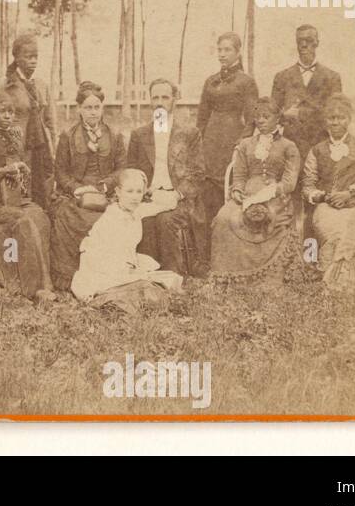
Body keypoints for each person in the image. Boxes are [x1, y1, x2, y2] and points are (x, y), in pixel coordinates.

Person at [208, 97, 306, 286]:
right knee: (223, 217)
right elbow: (239, 176)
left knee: (268, 219)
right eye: (257, 117)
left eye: (266, 116)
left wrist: (269, 193)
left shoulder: (289, 146)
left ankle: (266, 277)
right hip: (246, 195)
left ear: (277, 118)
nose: (260, 121)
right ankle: (226, 274)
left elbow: (289, 182)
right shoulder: (245, 144)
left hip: (276, 197)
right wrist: (236, 191)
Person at [0, 92, 55, 302]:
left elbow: (20, 171)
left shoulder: (14, 136)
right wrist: (13, 167)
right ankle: (32, 288)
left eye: (11, 112)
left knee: (39, 216)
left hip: (12, 196)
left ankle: (46, 281)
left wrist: (22, 175)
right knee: (23, 221)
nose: (7, 116)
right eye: (2, 111)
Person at [301, 94, 355, 294]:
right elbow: (307, 185)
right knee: (333, 228)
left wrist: (350, 193)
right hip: (327, 207)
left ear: (349, 119)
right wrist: (323, 196)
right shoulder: (317, 151)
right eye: (332, 118)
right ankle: (319, 269)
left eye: (341, 118)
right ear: (325, 121)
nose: (336, 122)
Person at [124, 78, 209, 277]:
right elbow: (132, 170)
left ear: (174, 101)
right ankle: (145, 275)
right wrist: (142, 192)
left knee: (165, 220)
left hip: (180, 198)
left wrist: (177, 194)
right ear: (150, 101)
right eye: (155, 98)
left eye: (165, 97)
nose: (160, 102)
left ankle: (172, 275)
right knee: (141, 219)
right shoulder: (139, 134)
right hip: (148, 197)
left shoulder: (190, 133)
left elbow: (198, 174)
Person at [70, 169, 184, 309]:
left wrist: (163, 195)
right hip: (102, 265)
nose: (135, 197)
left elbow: (162, 206)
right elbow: (107, 254)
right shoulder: (113, 216)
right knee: (145, 286)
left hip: (123, 262)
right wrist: (132, 270)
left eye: (138, 192)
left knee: (169, 280)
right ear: (118, 192)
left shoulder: (136, 210)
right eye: (129, 192)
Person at [49, 81, 125, 291]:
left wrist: (104, 186)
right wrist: (77, 189)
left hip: (105, 194)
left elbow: (121, 169)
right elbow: (60, 172)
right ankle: (70, 278)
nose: (93, 112)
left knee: (112, 219)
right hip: (75, 195)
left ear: (102, 108)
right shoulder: (68, 136)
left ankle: (105, 276)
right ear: (79, 109)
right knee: (68, 217)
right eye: (88, 108)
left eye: (96, 107)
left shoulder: (115, 135)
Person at [197, 31, 259, 236]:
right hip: (210, 139)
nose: (222, 54)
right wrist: (199, 142)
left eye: (227, 50)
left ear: (238, 52)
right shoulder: (211, 81)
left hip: (232, 138)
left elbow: (252, 119)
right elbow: (202, 117)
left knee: (227, 185)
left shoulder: (246, 82)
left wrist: (241, 143)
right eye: (219, 50)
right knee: (206, 188)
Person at [0, 35, 55, 208]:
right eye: (28, 57)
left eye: (35, 56)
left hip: (41, 149)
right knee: (20, 194)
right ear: (16, 58)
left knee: (43, 192)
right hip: (17, 150)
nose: (33, 61)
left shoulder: (42, 85)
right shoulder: (6, 86)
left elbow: (50, 121)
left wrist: (52, 147)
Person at [271, 24, 343, 161]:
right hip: (291, 148)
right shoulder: (282, 77)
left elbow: (335, 114)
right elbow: (271, 114)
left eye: (309, 40)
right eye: (299, 41)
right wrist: (284, 114)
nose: (304, 45)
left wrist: (301, 113)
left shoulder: (332, 77)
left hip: (322, 146)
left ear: (317, 43)